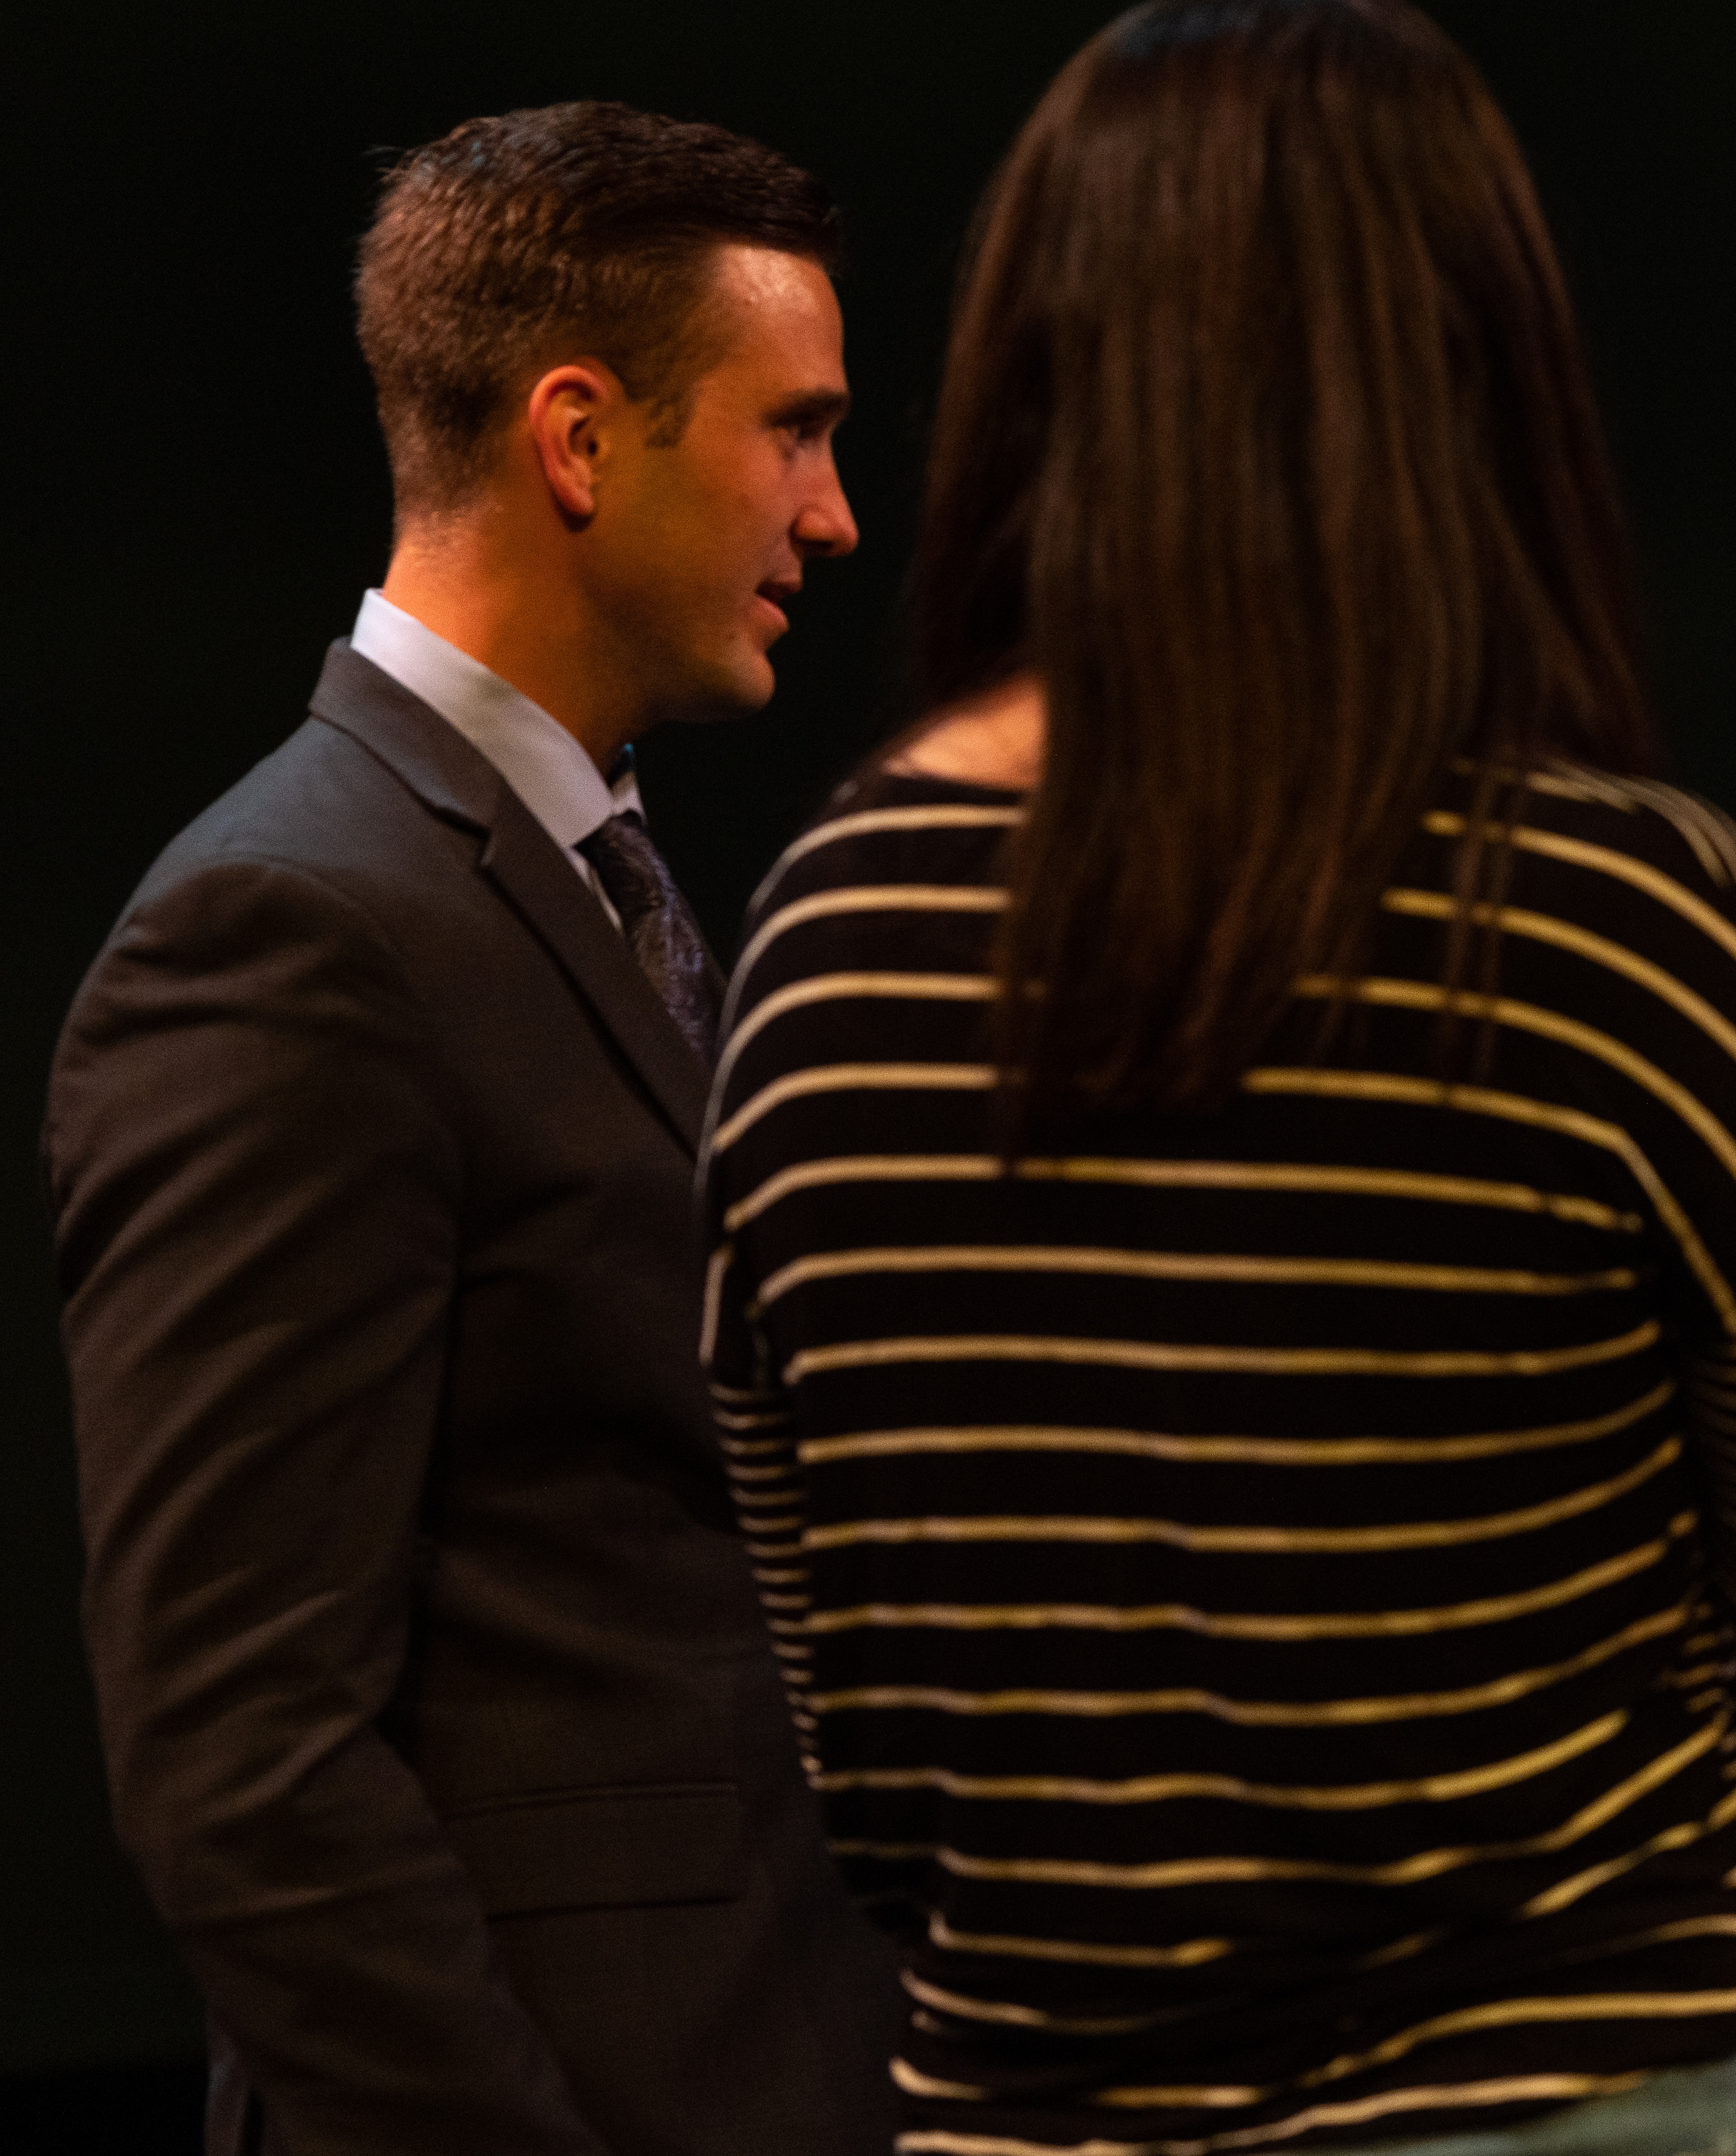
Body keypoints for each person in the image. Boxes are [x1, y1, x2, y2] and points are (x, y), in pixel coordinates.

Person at [695, 6, 1736, 2152]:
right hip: (1607, 2087)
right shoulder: (1619, 907)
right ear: (1473, 366)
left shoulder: (821, 942)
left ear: (1034, 364)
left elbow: (862, 1751)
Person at [47, 104, 895, 2156]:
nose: (839, 514)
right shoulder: (288, 928)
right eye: (794, 430)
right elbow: (243, 1753)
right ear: (581, 438)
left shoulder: (584, 874)